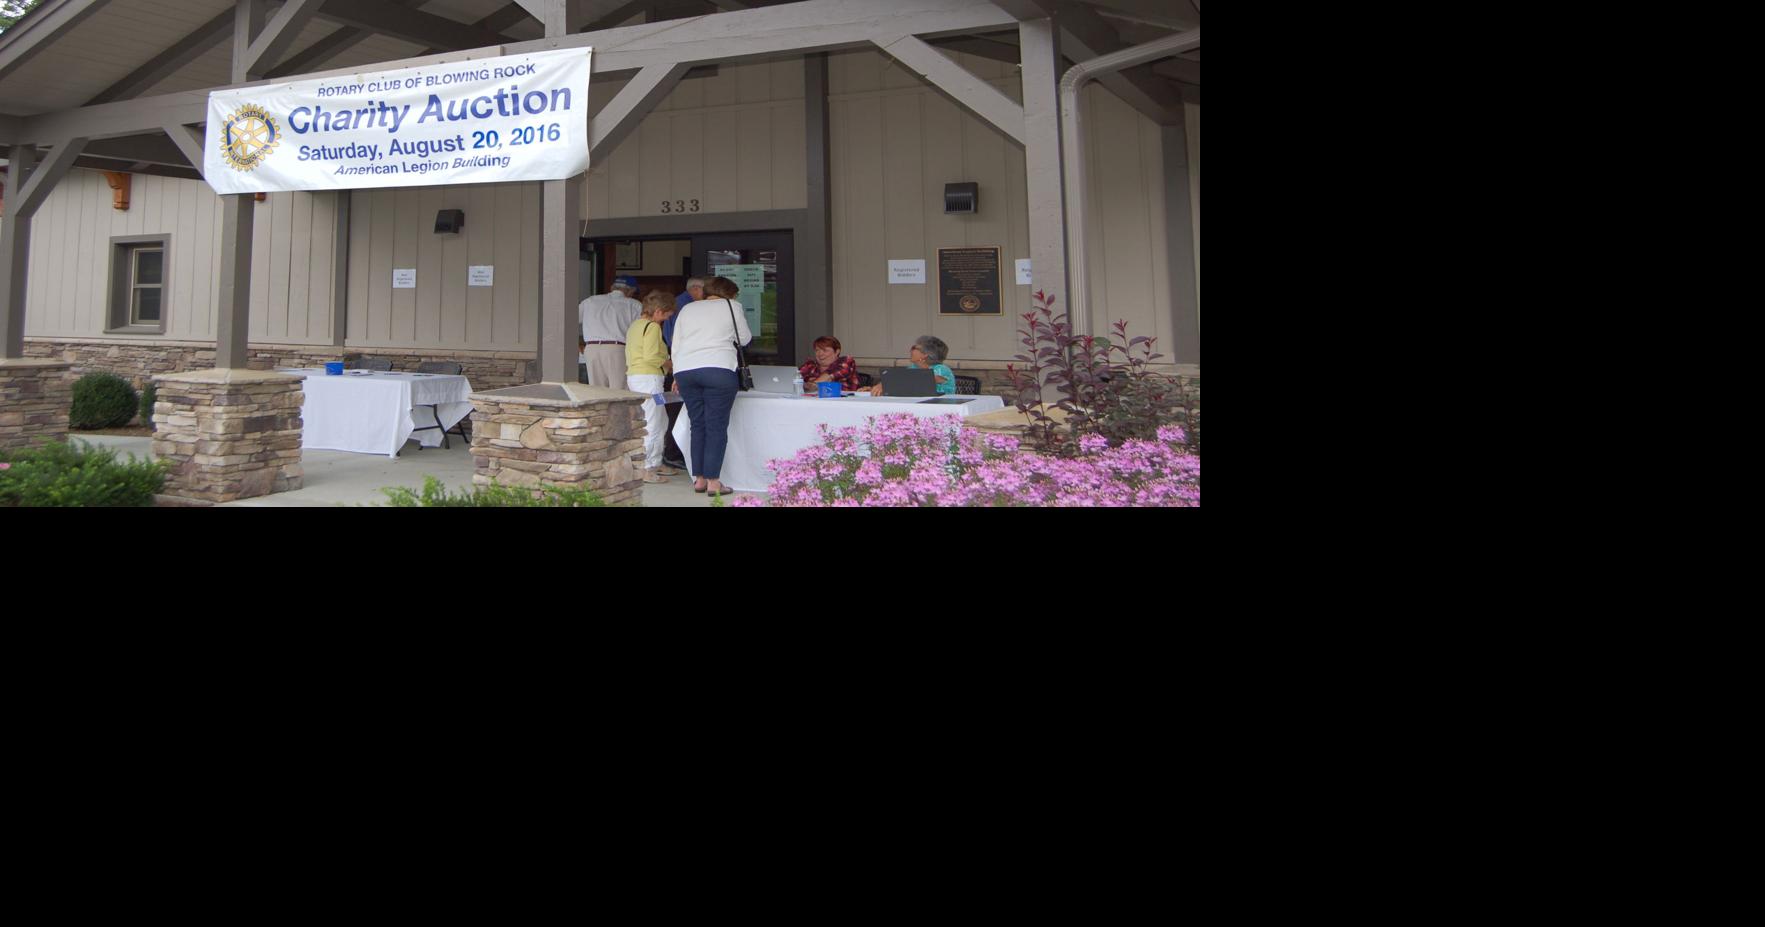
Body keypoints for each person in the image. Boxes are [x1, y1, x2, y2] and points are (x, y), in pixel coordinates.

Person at [671, 276, 752, 497]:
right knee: (715, 426)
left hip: (686, 370)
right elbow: (744, 339)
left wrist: (677, 373)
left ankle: (699, 479)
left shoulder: (688, 309)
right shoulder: (731, 306)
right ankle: (714, 482)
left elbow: (676, 343)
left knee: (697, 424)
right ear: (729, 293)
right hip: (718, 368)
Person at [627, 291, 679, 484]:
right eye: (667, 315)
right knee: (652, 422)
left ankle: (655, 461)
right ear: (658, 311)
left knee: (660, 419)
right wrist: (669, 362)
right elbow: (651, 356)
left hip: (637, 376)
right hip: (649, 377)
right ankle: (647, 467)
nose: (667, 319)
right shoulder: (653, 327)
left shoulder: (635, 325)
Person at [578, 277, 642, 388]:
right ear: (631, 291)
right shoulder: (634, 304)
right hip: (617, 349)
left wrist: (577, 344)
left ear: (612, 288)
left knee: (596, 391)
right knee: (618, 390)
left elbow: (569, 321)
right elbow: (640, 331)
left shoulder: (590, 301)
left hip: (591, 349)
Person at [869, 335, 956, 396]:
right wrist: (876, 388)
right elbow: (900, 380)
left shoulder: (942, 369)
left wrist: (884, 385)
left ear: (925, 354)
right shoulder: (914, 367)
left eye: (914, 348)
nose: (910, 351)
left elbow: (922, 379)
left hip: (941, 407)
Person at [798, 335, 862, 393]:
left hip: (846, 402)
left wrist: (813, 384)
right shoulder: (810, 365)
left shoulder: (846, 361)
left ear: (837, 352)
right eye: (817, 350)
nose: (820, 354)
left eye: (825, 350)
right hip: (814, 402)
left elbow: (829, 376)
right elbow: (794, 379)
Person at [665, 277, 704, 349]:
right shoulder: (684, 304)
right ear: (695, 289)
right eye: (704, 289)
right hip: (679, 347)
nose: (706, 293)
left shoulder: (681, 300)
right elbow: (676, 330)